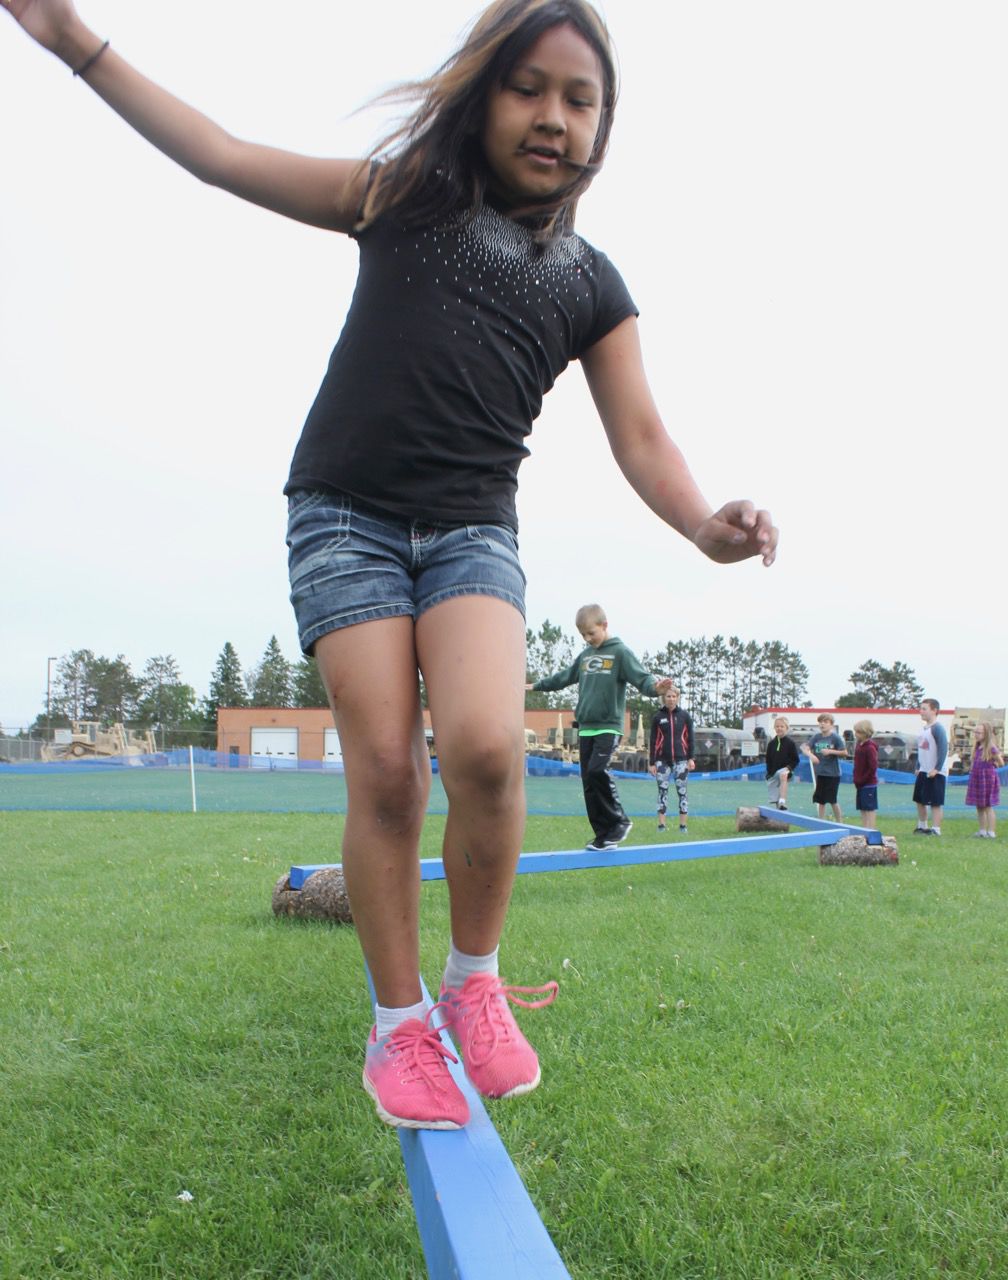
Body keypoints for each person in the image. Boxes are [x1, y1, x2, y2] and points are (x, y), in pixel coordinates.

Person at [5, 0, 777, 1131]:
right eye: (530, 87)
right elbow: (224, 157)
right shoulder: (407, 194)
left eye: (580, 98)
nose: (553, 116)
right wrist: (80, 45)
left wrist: (708, 524)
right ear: (483, 95)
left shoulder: (592, 284)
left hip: (471, 527)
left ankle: (473, 983)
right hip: (345, 514)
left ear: (604, 125)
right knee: (386, 768)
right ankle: (396, 1023)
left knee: (484, 747)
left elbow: (644, 441)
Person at [530, 605, 671, 849]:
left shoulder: (619, 653)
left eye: (591, 633)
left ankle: (619, 821)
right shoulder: (586, 655)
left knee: (597, 771)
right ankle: (603, 835)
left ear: (604, 625)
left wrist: (655, 689)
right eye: (583, 635)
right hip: (586, 727)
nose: (587, 639)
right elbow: (565, 676)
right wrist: (537, 686)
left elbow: (642, 678)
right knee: (588, 782)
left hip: (608, 726)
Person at [648, 685, 694, 833]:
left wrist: (691, 758)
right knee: (662, 792)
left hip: (681, 761)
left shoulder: (685, 716)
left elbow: (690, 738)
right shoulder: (657, 717)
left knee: (682, 792)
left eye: (674, 696)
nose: (671, 699)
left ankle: (683, 826)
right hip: (662, 762)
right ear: (664, 698)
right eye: (668, 696)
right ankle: (661, 825)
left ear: (677, 698)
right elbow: (653, 740)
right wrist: (652, 762)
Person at [802, 713, 847, 821]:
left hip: (833, 774)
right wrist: (811, 755)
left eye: (825, 722)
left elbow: (845, 752)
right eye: (820, 722)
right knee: (820, 800)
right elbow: (805, 748)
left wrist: (830, 751)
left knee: (832, 800)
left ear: (831, 725)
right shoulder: (816, 737)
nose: (822, 724)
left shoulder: (835, 738)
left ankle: (839, 822)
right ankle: (821, 821)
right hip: (820, 773)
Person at [913, 698, 947, 836]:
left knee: (935, 802)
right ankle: (922, 826)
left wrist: (937, 769)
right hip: (923, 770)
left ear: (934, 710)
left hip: (935, 772)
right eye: (921, 709)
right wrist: (918, 766)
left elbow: (943, 749)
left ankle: (936, 829)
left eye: (924, 709)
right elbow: (921, 750)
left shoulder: (938, 728)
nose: (921, 712)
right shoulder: (923, 730)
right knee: (920, 800)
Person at [966, 721, 1003, 839]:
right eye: (975, 732)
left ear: (986, 734)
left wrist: (993, 766)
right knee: (979, 806)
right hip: (977, 778)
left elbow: (1000, 762)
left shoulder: (991, 748)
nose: (976, 734)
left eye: (979, 732)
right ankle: (982, 830)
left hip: (987, 779)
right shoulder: (977, 747)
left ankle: (991, 832)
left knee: (988, 806)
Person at [764, 715, 799, 811]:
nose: (779, 728)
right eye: (777, 726)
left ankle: (783, 801)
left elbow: (796, 760)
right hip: (774, 772)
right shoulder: (771, 744)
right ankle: (779, 808)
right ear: (774, 728)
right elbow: (768, 760)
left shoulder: (790, 743)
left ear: (786, 728)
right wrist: (769, 773)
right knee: (774, 791)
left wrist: (789, 768)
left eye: (782, 726)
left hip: (786, 770)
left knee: (782, 775)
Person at [851, 719, 879, 830]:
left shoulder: (870, 748)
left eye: (858, 732)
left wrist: (863, 779)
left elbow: (873, 767)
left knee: (869, 808)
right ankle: (864, 828)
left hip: (868, 783)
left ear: (865, 732)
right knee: (862, 807)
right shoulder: (859, 745)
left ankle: (871, 829)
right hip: (860, 783)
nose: (856, 734)